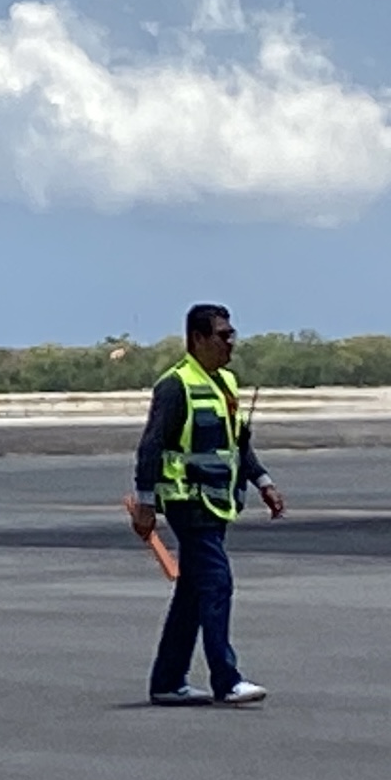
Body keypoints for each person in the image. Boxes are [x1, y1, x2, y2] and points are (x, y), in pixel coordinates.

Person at [131, 303, 287, 707]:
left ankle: (167, 681)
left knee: (193, 591)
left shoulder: (227, 384)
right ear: (198, 339)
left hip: (218, 503)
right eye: (222, 335)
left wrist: (263, 481)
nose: (229, 343)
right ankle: (226, 678)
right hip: (187, 502)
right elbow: (150, 447)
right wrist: (146, 504)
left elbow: (238, 444)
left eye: (231, 334)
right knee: (217, 582)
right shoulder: (175, 385)